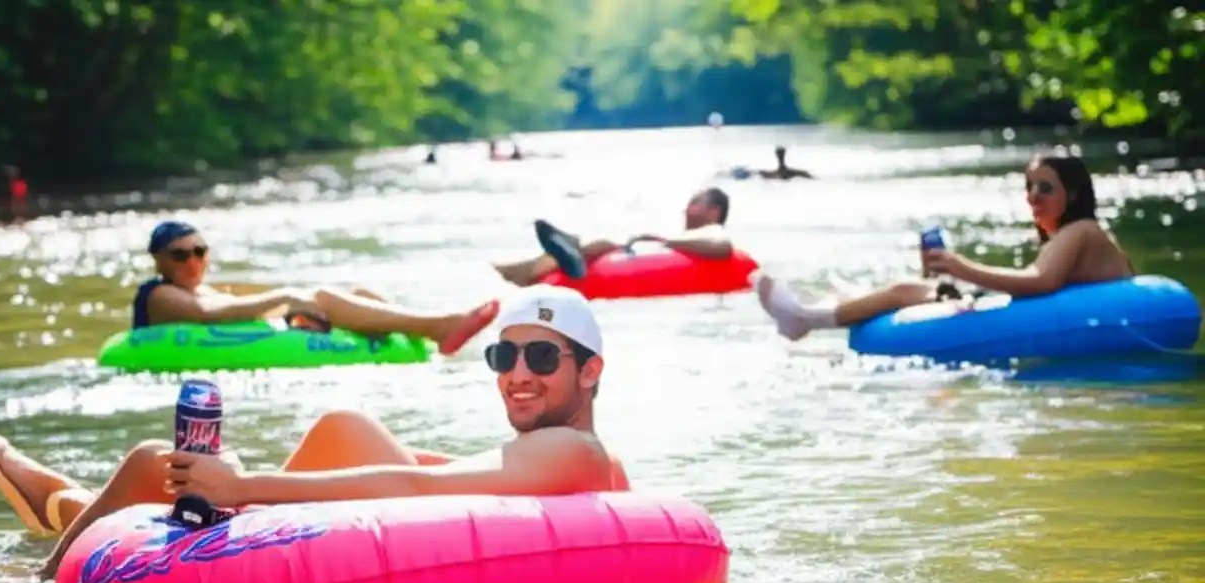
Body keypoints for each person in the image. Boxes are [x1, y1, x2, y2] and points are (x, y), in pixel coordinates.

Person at [0, 285, 627, 580]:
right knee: (175, 465)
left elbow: (416, 481)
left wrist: (244, 483)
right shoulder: (575, 457)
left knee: (156, 461)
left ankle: (48, 564)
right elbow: (461, 471)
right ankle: (68, 514)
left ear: (589, 371)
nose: (517, 374)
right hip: (372, 530)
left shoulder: (574, 451)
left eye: (541, 359)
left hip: (378, 542)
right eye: (503, 357)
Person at [753, 153, 1133, 340]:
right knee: (922, 287)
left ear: (1075, 192)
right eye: (1029, 186)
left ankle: (806, 319)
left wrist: (959, 265)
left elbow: (1043, 282)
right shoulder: (1073, 234)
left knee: (912, 291)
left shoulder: (1081, 230)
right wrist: (950, 270)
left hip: (1102, 318)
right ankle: (837, 306)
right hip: (1075, 314)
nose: (1033, 196)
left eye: (1045, 187)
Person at [133, 220, 497, 355]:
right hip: (176, 351)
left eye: (199, 251)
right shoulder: (158, 295)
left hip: (251, 335)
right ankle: (439, 326)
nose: (193, 261)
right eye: (180, 254)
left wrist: (290, 303)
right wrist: (286, 296)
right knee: (321, 297)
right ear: (158, 259)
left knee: (360, 294)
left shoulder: (202, 288)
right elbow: (209, 315)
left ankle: (427, 330)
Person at [494, 187, 734, 285]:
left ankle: (516, 272)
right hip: (631, 254)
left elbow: (723, 246)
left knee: (613, 243)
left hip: (670, 260)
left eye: (694, 203)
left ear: (714, 212)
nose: (686, 209)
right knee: (610, 242)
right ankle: (563, 253)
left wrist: (661, 240)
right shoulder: (687, 240)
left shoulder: (713, 230)